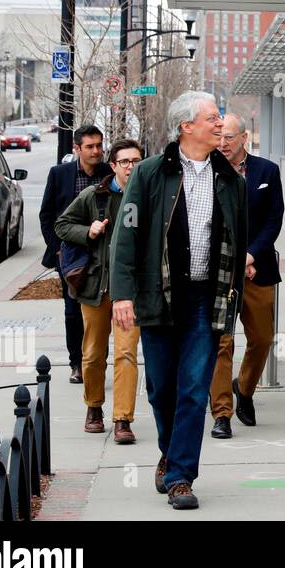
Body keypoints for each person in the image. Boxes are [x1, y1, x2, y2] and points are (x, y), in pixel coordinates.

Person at [109, 92, 249, 511]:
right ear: (187, 126)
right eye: (211, 117)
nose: (219, 123)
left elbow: (237, 244)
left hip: (206, 296)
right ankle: (170, 452)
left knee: (193, 388)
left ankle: (180, 476)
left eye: (219, 117)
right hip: (159, 295)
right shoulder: (151, 173)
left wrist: (235, 295)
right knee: (161, 389)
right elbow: (126, 234)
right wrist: (122, 293)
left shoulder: (231, 180)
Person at [54, 138, 144, 443]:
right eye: (125, 162)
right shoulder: (94, 196)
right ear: (113, 166)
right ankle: (94, 407)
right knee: (92, 354)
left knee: (127, 353)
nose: (131, 167)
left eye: (136, 161)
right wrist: (87, 231)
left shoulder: (149, 197)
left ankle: (123, 419)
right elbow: (62, 225)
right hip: (96, 288)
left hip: (131, 292)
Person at [209, 114, 284, 439]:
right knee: (221, 343)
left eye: (229, 137)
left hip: (258, 269)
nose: (223, 143)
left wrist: (251, 255)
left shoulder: (266, 171)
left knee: (262, 339)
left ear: (243, 138)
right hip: (218, 272)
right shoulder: (205, 169)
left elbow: (273, 219)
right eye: (219, 137)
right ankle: (222, 413)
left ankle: (246, 388)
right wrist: (234, 260)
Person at [39, 125, 112, 384]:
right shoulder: (60, 174)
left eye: (99, 145)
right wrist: (58, 249)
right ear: (76, 148)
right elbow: (47, 215)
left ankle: (98, 361)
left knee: (100, 311)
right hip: (71, 256)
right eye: (90, 146)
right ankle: (77, 363)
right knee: (73, 311)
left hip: (104, 256)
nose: (96, 151)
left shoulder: (110, 173)